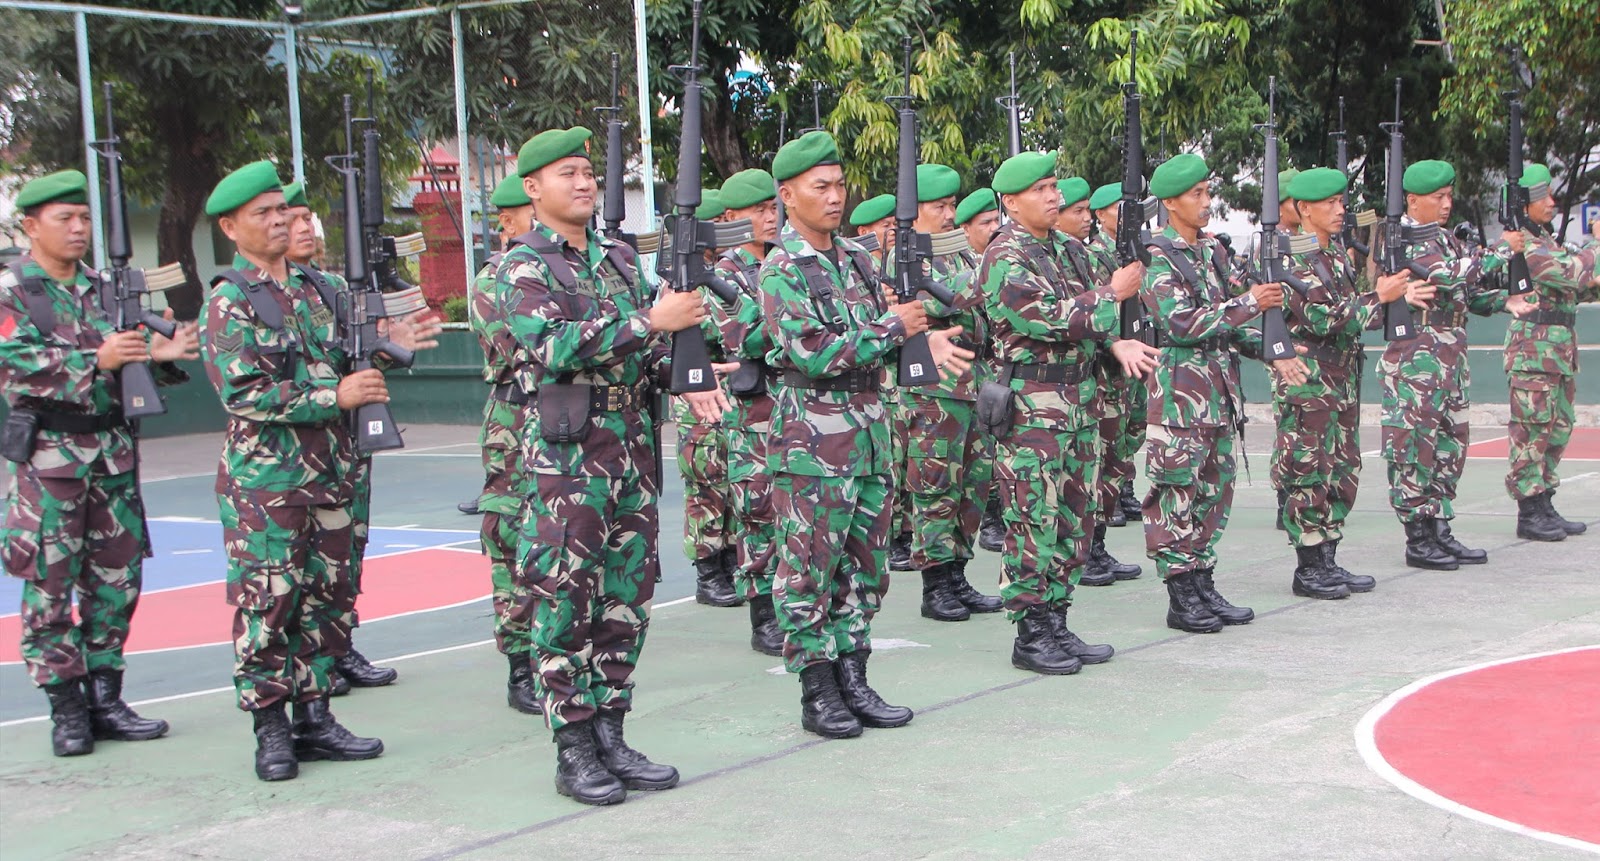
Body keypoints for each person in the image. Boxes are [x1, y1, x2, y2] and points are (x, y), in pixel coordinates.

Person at [499, 127, 719, 804]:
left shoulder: (619, 258)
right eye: (568, 173)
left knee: (626, 600)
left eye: (590, 172)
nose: (586, 182)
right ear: (533, 188)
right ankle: (573, 748)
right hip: (569, 465)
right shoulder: (524, 266)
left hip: (630, 452)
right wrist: (651, 324)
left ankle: (612, 733)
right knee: (564, 603)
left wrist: (687, 368)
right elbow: (549, 346)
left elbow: (642, 351)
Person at [202, 161, 437, 780]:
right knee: (269, 603)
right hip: (267, 486)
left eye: (284, 209)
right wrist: (335, 395)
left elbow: (363, 349)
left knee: (326, 599)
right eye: (264, 213)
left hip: (333, 472)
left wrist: (392, 344)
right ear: (231, 227)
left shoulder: (320, 287)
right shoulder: (230, 300)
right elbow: (243, 392)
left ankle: (317, 713)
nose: (280, 220)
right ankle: (272, 729)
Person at [762, 130, 972, 737]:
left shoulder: (854, 258)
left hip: (869, 433)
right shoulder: (782, 269)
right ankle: (818, 689)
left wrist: (918, 337)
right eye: (819, 187)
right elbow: (811, 352)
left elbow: (882, 334)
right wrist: (892, 327)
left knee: (864, 570)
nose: (834, 197)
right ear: (789, 194)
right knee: (808, 572)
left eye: (839, 185)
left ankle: (853, 675)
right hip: (812, 443)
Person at [1, 169, 197, 756]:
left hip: (113, 456)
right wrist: (99, 356)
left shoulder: (109, 289)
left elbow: (139, 361)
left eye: (84, 218)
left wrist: (160, 354)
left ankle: (108, 698)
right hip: (50, 463)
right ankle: (67, 707)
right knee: (50, 586)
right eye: (65, 219)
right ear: (31, 226)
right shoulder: (12, 291)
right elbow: (14, 363)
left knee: (117, 580)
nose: (79, 228)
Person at [979, 153, 1157, 674]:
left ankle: (1056, 619)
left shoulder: (1068, 249)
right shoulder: (1004, 254)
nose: (1054, 197)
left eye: (1054, 186)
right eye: (1041, 189)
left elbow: (1093, 326)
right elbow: (1043, 318)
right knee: (1034, 517)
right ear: (1010, 202)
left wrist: (1116, 343)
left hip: (1080, 404)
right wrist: (1112, 294)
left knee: (1075, 519)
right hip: (1033, 409)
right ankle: (1031, 634)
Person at [1140, 153, 1307, 633]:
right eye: (1197, 195)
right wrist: (1249, 303)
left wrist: (1272, 349)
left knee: (1214, 492)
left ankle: (1202, 580)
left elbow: (1230, 325)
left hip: (1219, 394)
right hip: (1179, 398)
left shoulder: (1211, 251)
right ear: (1170, 202)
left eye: (1208, 192)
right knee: (1176, 494)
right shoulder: (1155, 256)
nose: (1206, 202)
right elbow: (1182, 323)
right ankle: (1180, 593)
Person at [1275, 168, 1419, 597]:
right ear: (1304, 209)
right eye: (1331, 204)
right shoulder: (1291, 259)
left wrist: (1380, 297)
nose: (1341, 210)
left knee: (1341, 469)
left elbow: (1346, 310)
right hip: (1310, 378)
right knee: (1308, 468)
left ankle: (1328, 556)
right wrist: (1384, 298)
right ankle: (1308, 566)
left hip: (1341, 376)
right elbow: (1323, 317)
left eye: (1341, 201)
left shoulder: (1332, 252)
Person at [281, 180, 399, 695]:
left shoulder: (329, 286)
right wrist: (338, 391)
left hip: (344, 448)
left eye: (310, 217)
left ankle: (338, 647)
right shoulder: (257, 296)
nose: (306, 227)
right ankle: (300, 669)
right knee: (289, 572)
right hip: (289, 458)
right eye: (292, 218)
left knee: (343, 556)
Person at [1378, 160, 1515, 568]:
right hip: (1418, 355)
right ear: (1413, 200)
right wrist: (1506, 249)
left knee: (1450, 444)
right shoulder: (1409, 239)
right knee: (1415, 445)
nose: (1446, 204)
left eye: (1449, 196)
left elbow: (1466, 293)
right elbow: (1453, 275)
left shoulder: (1443, 238)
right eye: (1438, 197)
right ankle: (1418, 537)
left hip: (1451, 352)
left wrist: (1506, 301)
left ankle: (1439, 527)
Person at [896, 164, 1002, 621]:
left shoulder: (958, 253)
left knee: (973, 487)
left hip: (973, 382)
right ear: (915, 209)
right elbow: (940, 301)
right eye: (938, 206)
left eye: (950, 205)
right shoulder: (906, 258)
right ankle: (935, 582)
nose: (947, 214)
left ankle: (957, 573)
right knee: (935, 488)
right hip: (933, 390)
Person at [1489, 163, 1600, 539]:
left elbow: (1578, 282)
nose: (1552, 203)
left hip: (1558, 350)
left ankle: (1545, 500)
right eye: (1544, 198)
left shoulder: (1545, 239)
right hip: (1534, 350)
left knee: (1557, 427)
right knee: (1532, 430)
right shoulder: (1527, 244)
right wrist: (1597, 246)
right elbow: (1570, 273)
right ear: (1524, 205)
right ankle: (1529, 509)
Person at [467, 173, 541, 714]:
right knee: (512, 534)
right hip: (516, 420)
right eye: (523, 217)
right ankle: (520, 662)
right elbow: (523, 346)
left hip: (573, 419)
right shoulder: (496, 278)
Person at [708, 167, 786, 654]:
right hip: (755, 407)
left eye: (772, 207)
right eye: (758, 210)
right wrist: (796, 331)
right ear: (734, 217)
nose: (769, 217)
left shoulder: (794, 260)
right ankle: (764, 615)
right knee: (758, 510)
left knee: (797, 512)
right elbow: (740, 336)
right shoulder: (722, 274)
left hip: (799, 403)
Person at [1055, 177, 1141, 587]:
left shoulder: (1080, 256)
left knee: (1110, 462)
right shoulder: (1076, 259)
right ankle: (1086, 552)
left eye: (1088, 210)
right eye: (1078, 211)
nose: (1085, 219)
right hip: (1089, 377)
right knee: (1089, 471)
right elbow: (1079, 317)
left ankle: (1097, 546)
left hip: (1112, 372)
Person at [677, 190, 742, 606]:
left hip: (731, 392)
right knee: (705, 486)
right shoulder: (688, 282)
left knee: (732, 482)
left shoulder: (724, 276)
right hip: (701, 394)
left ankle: (730, 560)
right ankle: (707, 570)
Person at [1085, 181, 1147, 528]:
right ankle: (1112, 496)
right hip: (1110, 360)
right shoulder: (1095, 254)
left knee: (1134, 426)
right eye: (1119, 211)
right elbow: (1097, 306)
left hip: (1137, 350)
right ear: (1101, 215)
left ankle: (1122, 485)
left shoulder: (1136, 254)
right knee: (1111, 434)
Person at [956, 187, 1009, 554]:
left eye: (996, 220)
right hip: (953, 376)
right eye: (985, 222)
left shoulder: (993, 260)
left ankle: (991, 520)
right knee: (945, 479)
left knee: (987, 457)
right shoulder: (957, 265)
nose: (993, 228)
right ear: (965, 229)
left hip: (989, 370)